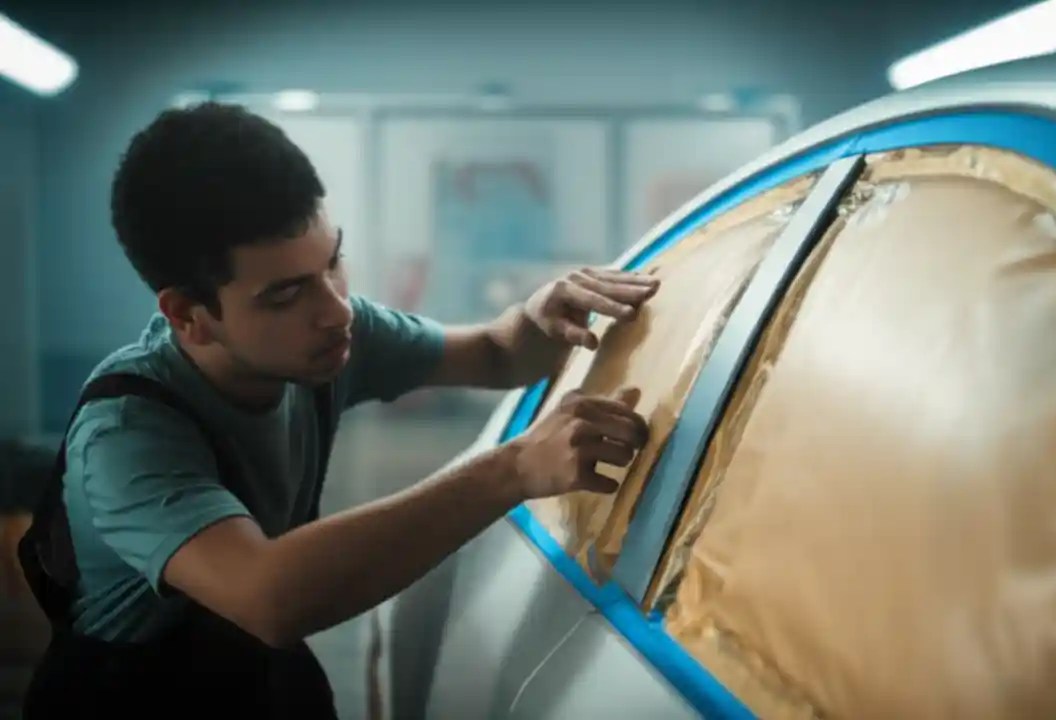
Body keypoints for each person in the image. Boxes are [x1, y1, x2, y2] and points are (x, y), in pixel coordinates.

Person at [18, 102, 657, 718]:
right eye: (285, 294)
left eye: (333, 262)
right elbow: (269, 595)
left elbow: (493, 354)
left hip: (262, 678)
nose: (336, 309)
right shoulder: (129, 431)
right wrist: (511, 470)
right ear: (189, 316)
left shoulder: (330, 335)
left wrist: (540, 316)